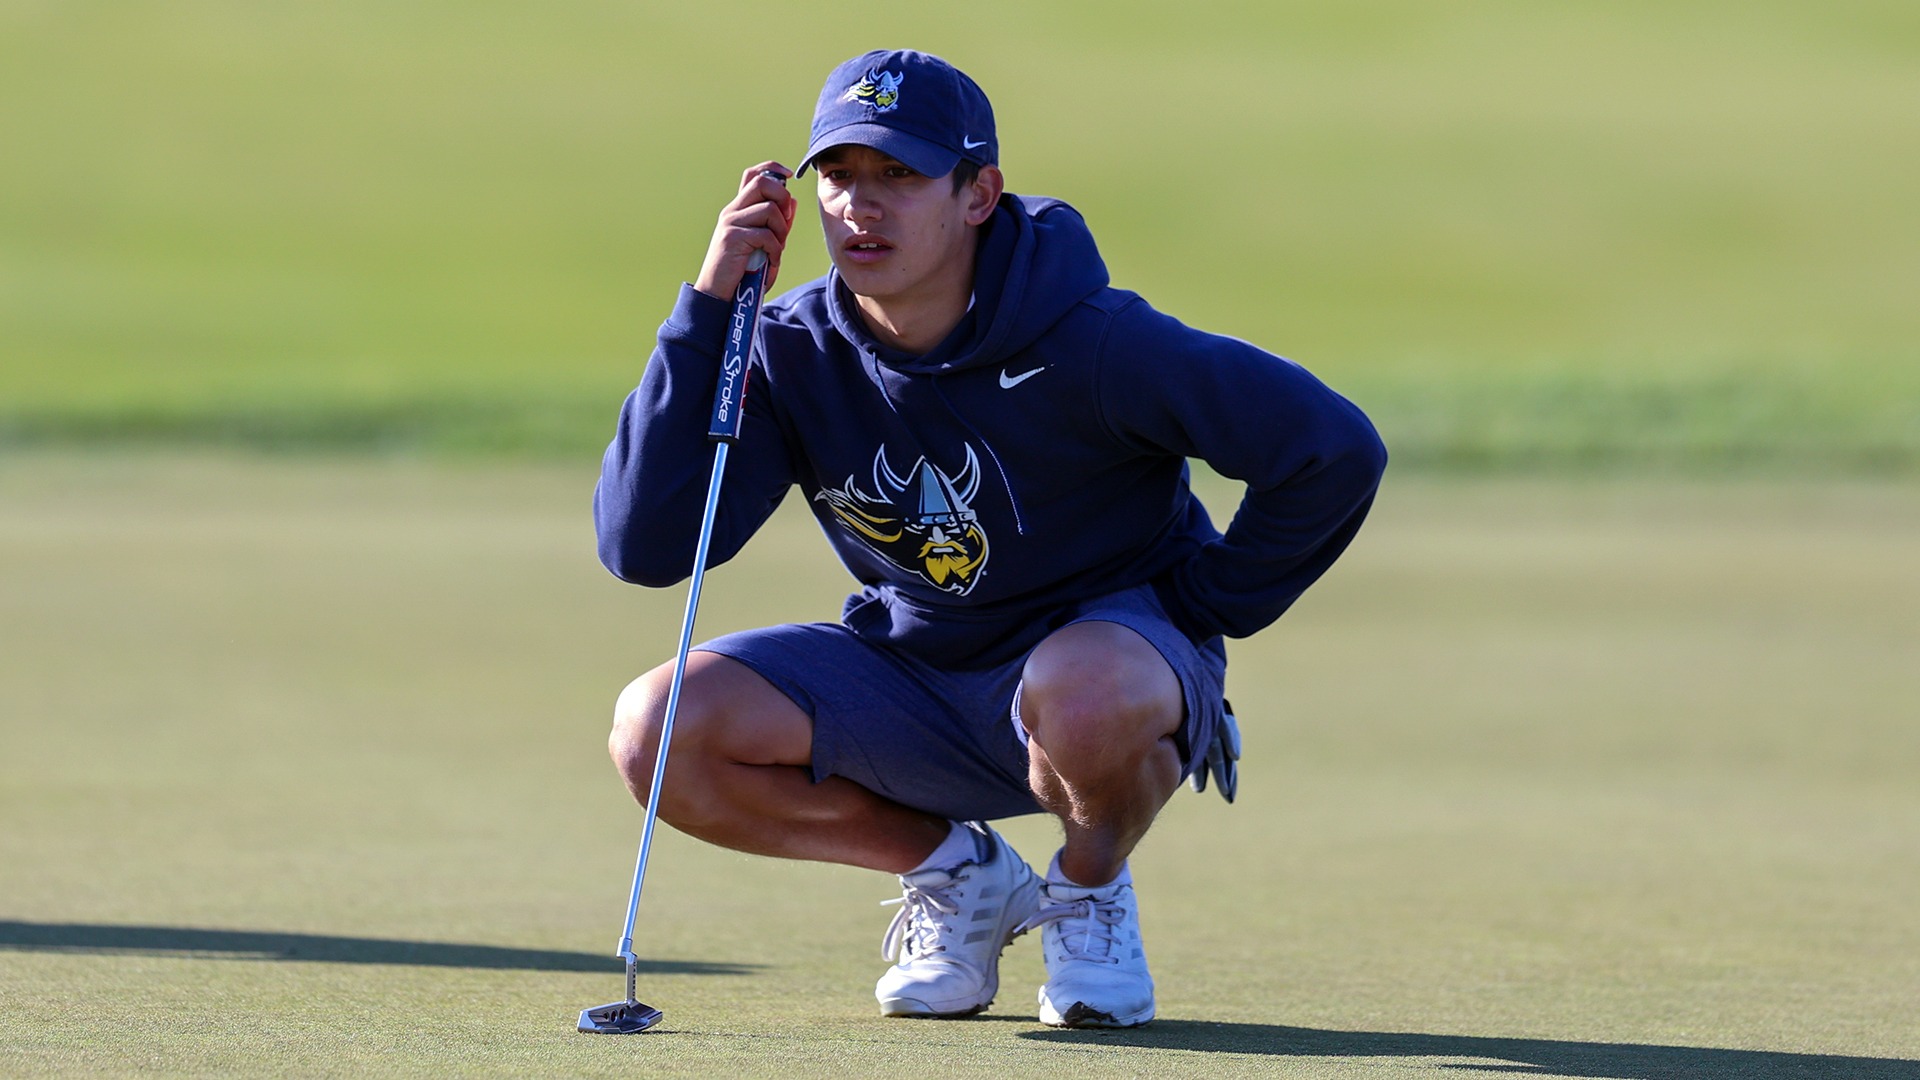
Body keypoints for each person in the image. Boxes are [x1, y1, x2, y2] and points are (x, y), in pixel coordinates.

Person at [595, 48, 1386, 1029]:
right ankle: (957, 874)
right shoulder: (790, 349)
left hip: (1108, 674)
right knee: (660, 729)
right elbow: (646, 544)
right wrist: (710, 314)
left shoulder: (1094, 341)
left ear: (978, 194)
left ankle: (1088, 889)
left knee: (1083, 684)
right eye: (838, 176)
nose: (859, 206)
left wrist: (1204, 606)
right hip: (917, 666)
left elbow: (1331, 448)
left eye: (901, 175)